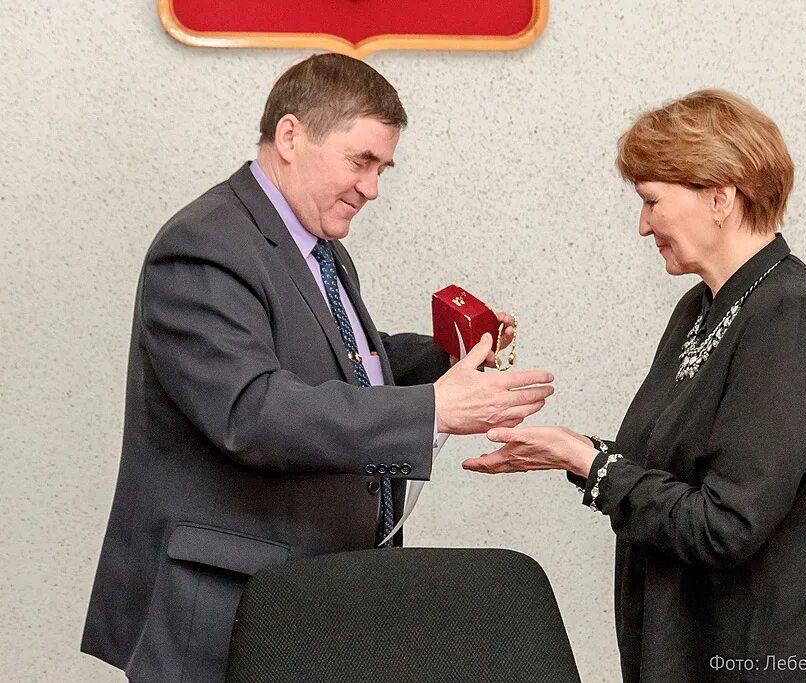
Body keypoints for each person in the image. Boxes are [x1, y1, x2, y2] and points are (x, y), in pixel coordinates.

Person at [81, 53, 554, 683]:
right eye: (360, 162)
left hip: (303, 604)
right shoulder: (203, 244)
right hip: (224, 611)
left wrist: (447, 360)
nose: (372, 188)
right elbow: (253, 410)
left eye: (383, 168)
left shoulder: (315, 244)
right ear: (290, 136)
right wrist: (435, 408)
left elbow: (336, 359)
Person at [464, 90, 806, 682]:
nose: (642, 226)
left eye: (652, 201)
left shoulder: (791, 319)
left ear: (720, 196)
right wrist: (575, 455)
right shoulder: (702, 308)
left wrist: (590, 462)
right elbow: (669, 478)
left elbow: (724, 525)